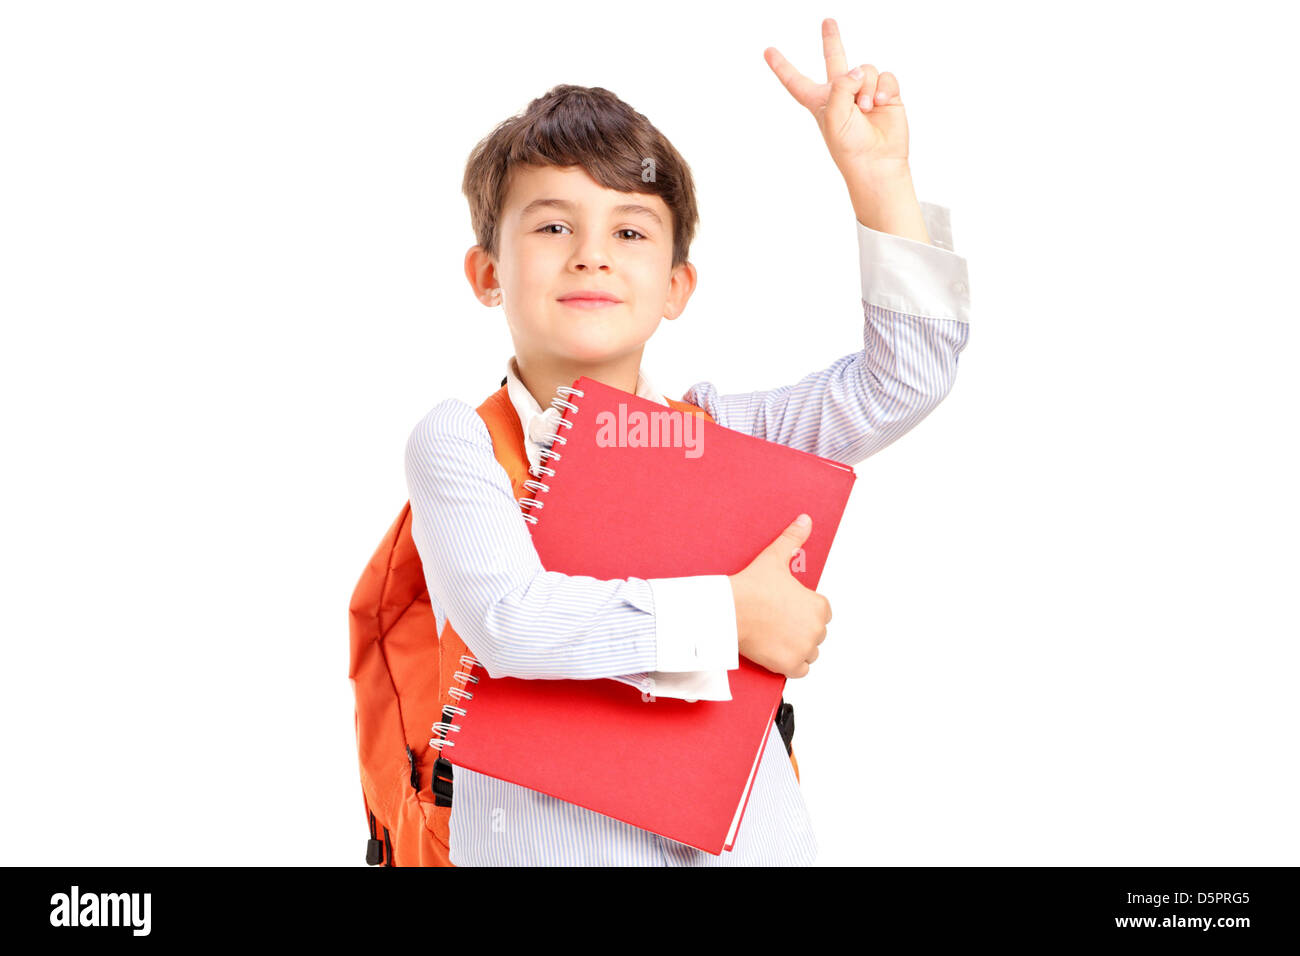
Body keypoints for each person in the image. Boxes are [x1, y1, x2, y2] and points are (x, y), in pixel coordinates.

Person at [404, 18, 970, 865]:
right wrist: (731, 614)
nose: (592, 256)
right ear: (489, 273)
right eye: (553, 227)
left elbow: (904, 379)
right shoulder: (462, 444)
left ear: (676, 287)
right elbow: (509, 621)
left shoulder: (721, 435)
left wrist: (878, 180)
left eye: (629, 231)